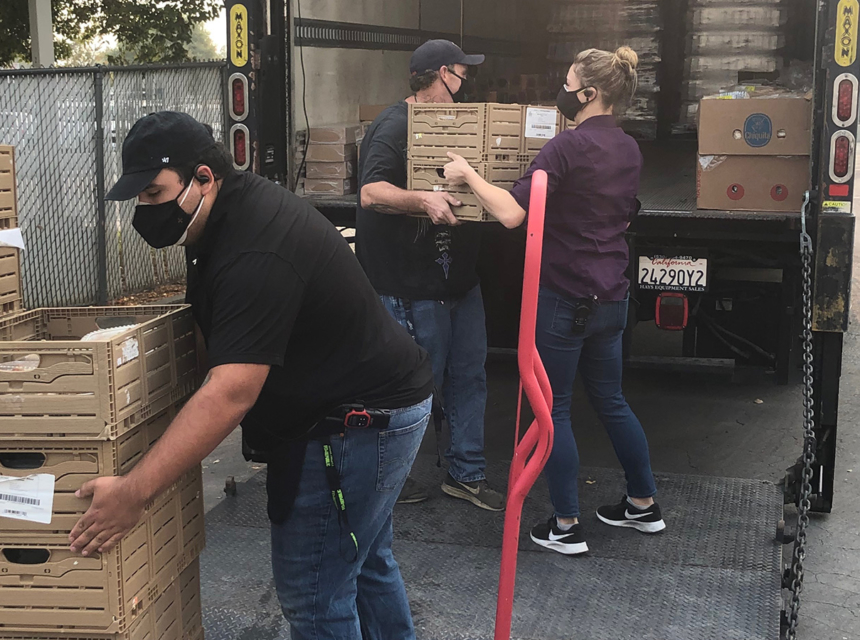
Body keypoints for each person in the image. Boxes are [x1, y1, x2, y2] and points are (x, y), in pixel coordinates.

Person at [68, 111, 435, 639]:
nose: (145, 210)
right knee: (363, 562)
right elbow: (212, 339)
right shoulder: (218, 217)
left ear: (202, 178)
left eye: (153, 193)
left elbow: (232, 392)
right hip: (375, 404)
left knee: (315, 596)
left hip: (353, 426)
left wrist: (134, 491)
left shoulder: (254, 248)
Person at [444, 47, 666, 555]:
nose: (561, 91)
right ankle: (642, 504)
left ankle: (565, 525)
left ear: (588, 94)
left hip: (566, 297)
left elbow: (511, 214)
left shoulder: (564, 150)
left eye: (568, 83)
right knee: (611, 400)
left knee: (555, 409)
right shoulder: (629, 149)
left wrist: (468, 174)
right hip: (611, 295)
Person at [355, 39, 505, 511]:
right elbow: (370, 192)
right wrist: (423, 200)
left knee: (469, 378)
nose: (465, 84)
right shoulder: (395, 125)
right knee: (412, 386)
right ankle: (384, 479)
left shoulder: (453, 125)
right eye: (461, 74)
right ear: (441, 74)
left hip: (458, 283)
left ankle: (466, 474)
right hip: (412, 287)